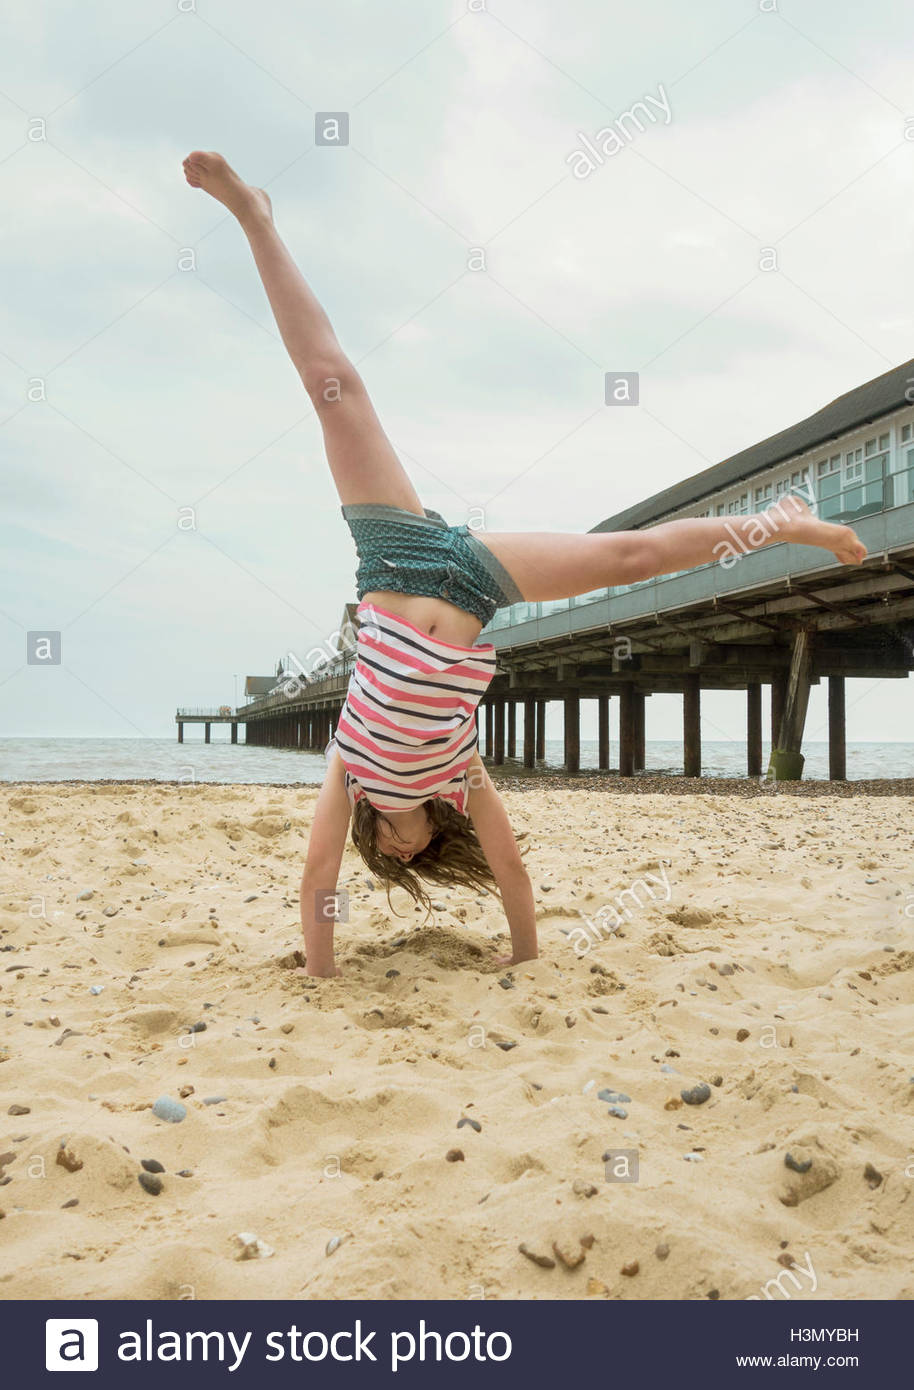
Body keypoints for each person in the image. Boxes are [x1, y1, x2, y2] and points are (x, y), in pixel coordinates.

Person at [183, 151, 867, 978]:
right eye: (415, 857)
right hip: (471, 577)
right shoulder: (460, 775)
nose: (401, 855)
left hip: (394, 558)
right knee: (629, 558)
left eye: (390, 859)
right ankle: (779, 524)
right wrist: (524, 954)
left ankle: (255, 215)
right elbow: (510, 867)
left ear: (382, 842)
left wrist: (320, 973)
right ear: (436, 838)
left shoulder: (351, 776)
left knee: (334, 384)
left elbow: (317, 877)